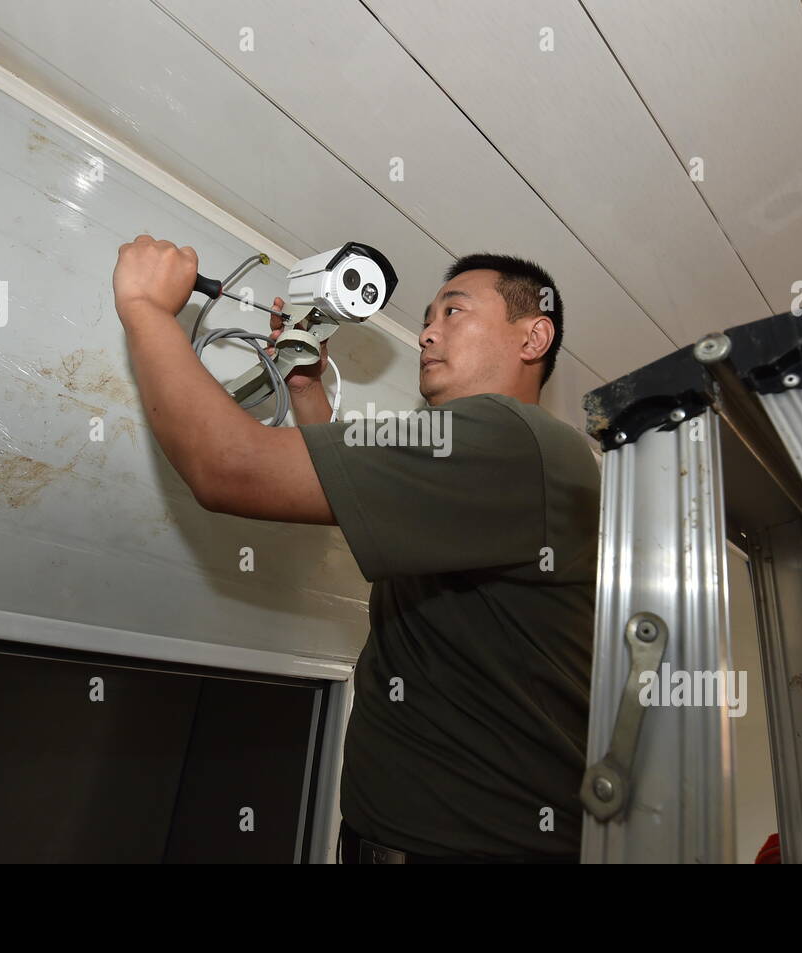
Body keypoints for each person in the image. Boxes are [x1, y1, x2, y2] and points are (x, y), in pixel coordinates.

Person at [113, 238, 598, 862]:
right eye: (427, 318)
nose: (426, 333)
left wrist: (147, 310)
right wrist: (306, 391)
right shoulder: (497, 459)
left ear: (533, 337)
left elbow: (228, 468)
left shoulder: (511, 438)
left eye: (453, 311)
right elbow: (356, 497)